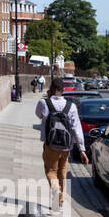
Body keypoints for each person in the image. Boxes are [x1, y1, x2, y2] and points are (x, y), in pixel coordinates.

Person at [36, 77, 88, 208]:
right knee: (62, 171)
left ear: (51, 89)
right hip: (66, 146)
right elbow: (76, 128)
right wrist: (81, 149)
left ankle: (56, 191)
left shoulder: (44, 103)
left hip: (50, 144)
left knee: (51, 171)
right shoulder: (71, 107)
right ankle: (60, 198)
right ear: (63, 90)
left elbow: (38, 115)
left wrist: (47, 99)